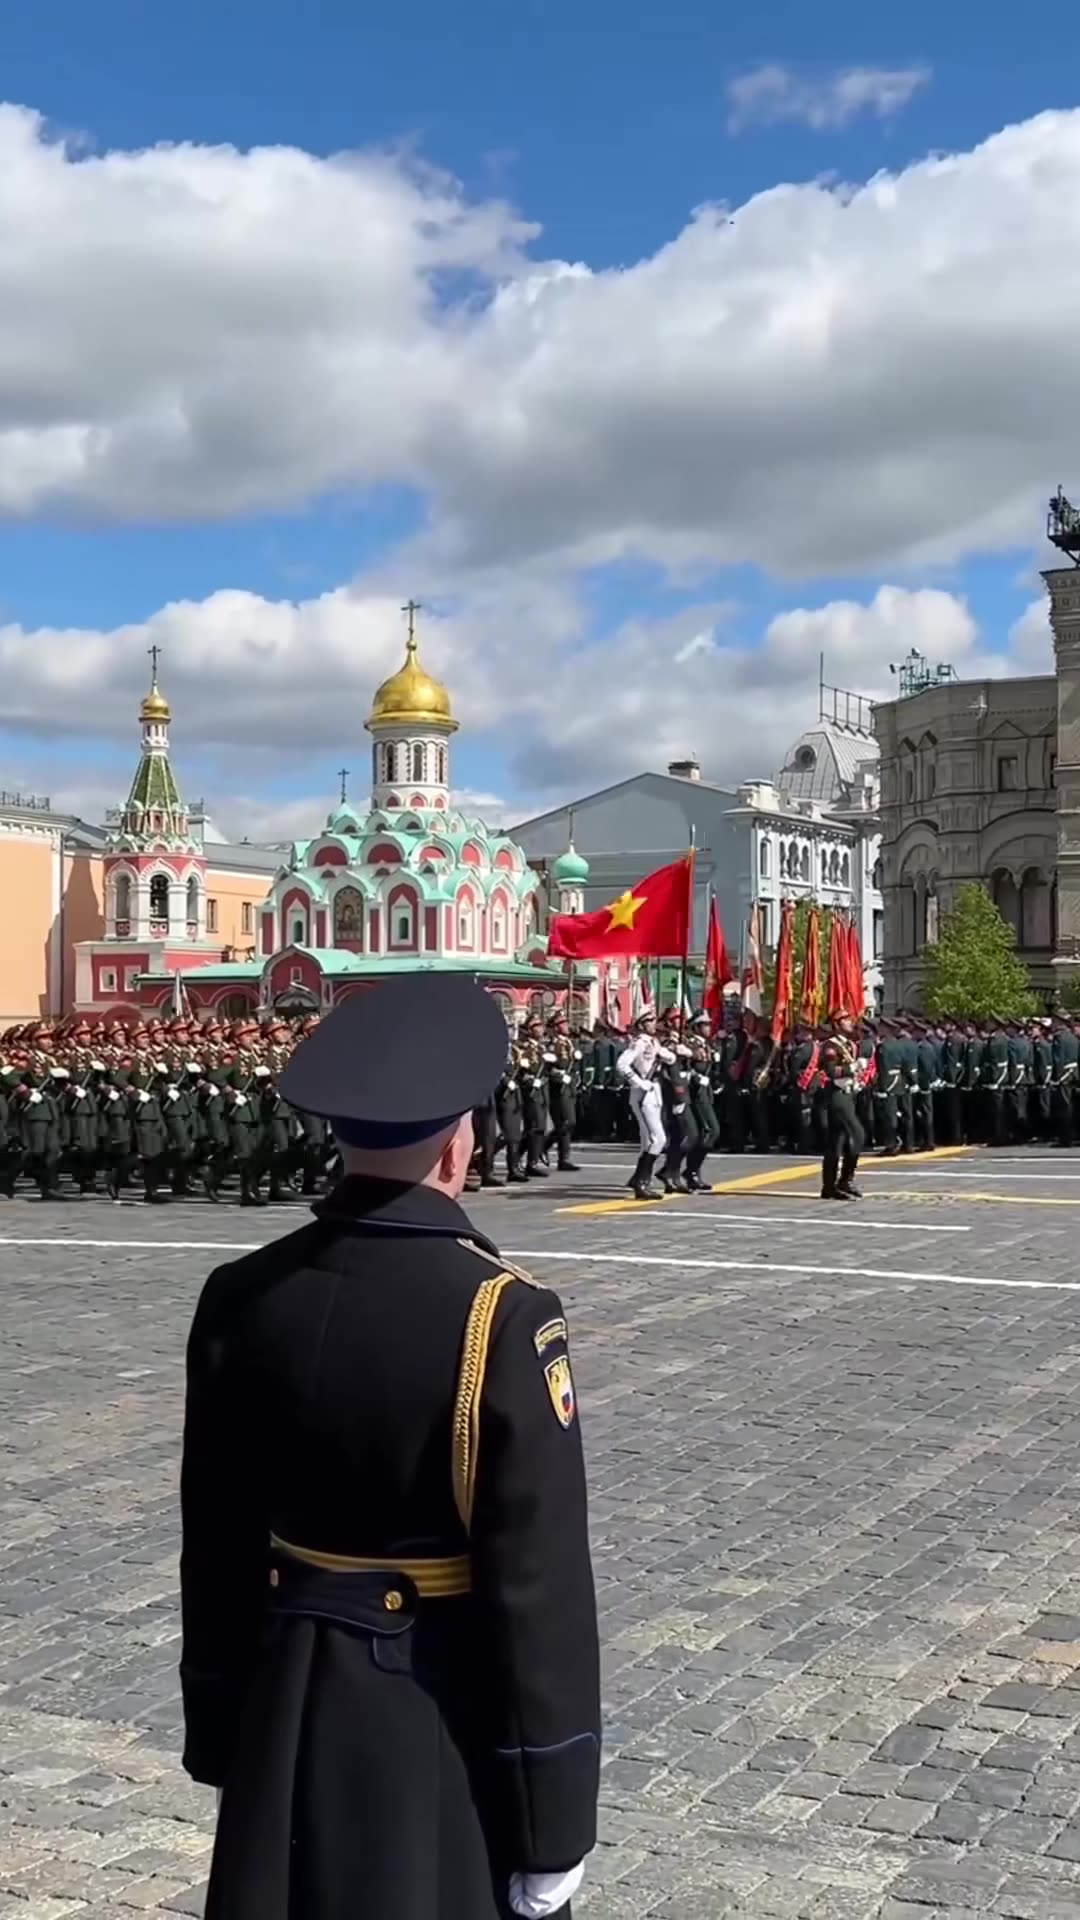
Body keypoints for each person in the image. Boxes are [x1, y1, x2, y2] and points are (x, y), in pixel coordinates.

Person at [180, 973, 601, 1920]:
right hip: (432, 1711)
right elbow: (537, 1588)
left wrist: (219, 1721)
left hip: (284, 1701)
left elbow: (214, 1537)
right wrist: (554, 1818)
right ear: (462, 1143)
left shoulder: (242, 1293)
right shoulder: (502, 1313)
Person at [616, 1009, 674, 1200]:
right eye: (649, 1020)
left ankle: (639, 1180)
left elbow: (669, 1057)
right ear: (641, 1024)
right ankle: (641, 1182)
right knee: (658, 1139)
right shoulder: (639, 1042)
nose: (653, 1022)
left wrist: (671, 1053)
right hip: (644, 1094)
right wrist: (640, 1082)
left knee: (649, 1140)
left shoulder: (653, 1041)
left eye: (653, 1019)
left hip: (654, 1093)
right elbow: (622, 1064)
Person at [819, 1014, 865, 1203]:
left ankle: (829, 1186)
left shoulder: (848, 1045)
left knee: (836, 1141)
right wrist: (853, 1068)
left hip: (847, 1093)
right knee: (858, 1135)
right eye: (846, 1020)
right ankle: (845, 1180)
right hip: (836, 1095)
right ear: (837, 1025)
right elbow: (831, 1071)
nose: (850, 1022)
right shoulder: (830, 1046)